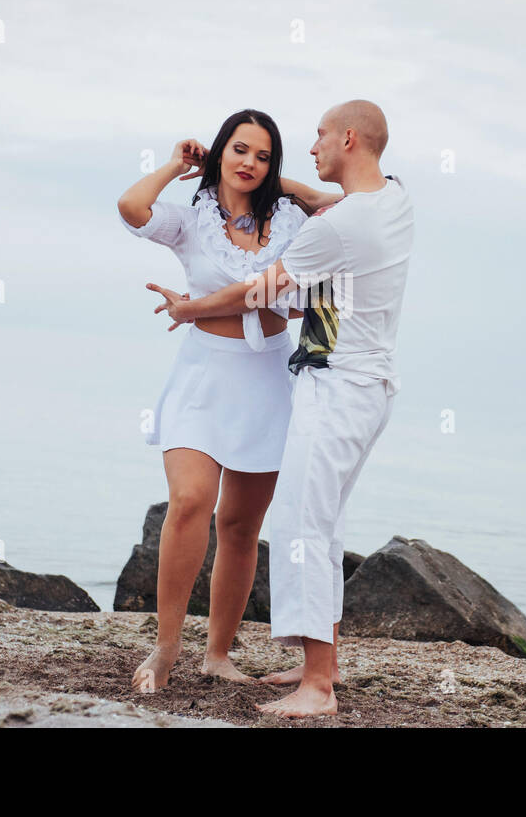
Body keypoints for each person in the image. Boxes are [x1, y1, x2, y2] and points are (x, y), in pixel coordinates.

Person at [147, 100, 414, 717]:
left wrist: (190, 308)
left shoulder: (335, 228)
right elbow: (331, 200)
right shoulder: (395, 200)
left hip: (336, 383)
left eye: (320, 137)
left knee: (300, 527)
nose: (312, 148)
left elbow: (263, 289)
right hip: (367, 385)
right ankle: (320, 662)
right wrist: (278, 183)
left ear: (348, 138)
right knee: (322, 526)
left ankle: (317, 685)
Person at [117, 108, 339, 693]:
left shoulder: (290, 220)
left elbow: (335, 205)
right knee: (190, 501)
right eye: (239, 150)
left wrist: (281, 185)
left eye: (264, 156)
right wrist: (176, 165)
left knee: (241, 527)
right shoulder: (192, 221)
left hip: (268, 376)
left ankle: (217, 654)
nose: (250, 163)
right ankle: (166, 649)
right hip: (203, 376)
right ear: (219, 153)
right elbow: (131, 208)